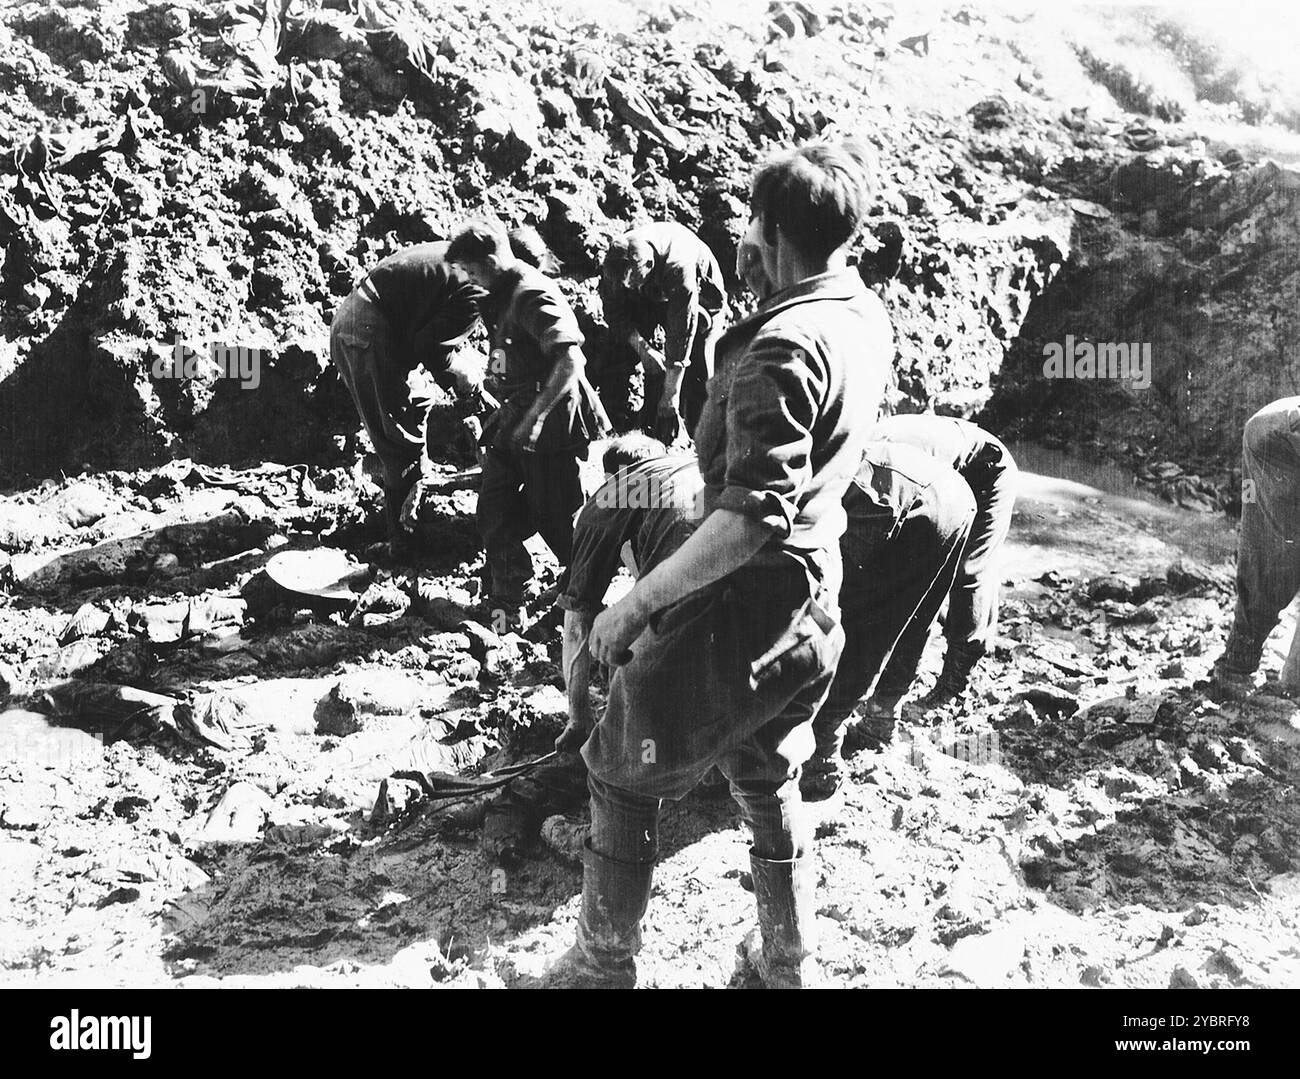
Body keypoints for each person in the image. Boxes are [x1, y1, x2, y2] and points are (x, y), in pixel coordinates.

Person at [528, 140, 891, 990]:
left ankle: (601, 964)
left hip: (743, 602)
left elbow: (750, 518)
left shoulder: (782, 347)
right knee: (766, 758)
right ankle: (788, 959)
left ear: (765, 230)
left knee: (618, 763)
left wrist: (634, 607)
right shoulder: (859, 313)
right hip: (811, 601)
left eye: (748, 223)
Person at [445, 222, 611, 628]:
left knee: (554, 514)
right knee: (494, 508)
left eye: (470, 270)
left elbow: (571, 360)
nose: (468, 279)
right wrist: (493, 375)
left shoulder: (531, 294)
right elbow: (503, 348)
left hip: (550, 420)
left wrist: (536, 420)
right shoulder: (499, 295)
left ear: (490, 260)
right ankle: (507, 602)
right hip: (514, 414)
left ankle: (582, 595)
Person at [801, 441, 976, 798]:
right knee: (913, 617)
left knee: (860, 621)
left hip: (902, 500)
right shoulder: (840, 440)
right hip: (955, 495)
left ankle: (822, 755)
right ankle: (881, 718)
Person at [328, 241, 485, 544]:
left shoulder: (460, 260)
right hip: (368, 334)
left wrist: (452, 376)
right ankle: (402, 545)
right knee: (400, 441)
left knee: (418, 404)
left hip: (362, 322)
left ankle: (414, 496)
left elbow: (427, 336)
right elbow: (431, 347)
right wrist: (461, 375)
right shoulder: (477, 285)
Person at [870, 415, 1017, 709]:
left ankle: (954, 684)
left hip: (988, 473)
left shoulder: (876, 462)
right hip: (940, 478)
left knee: (968, 572)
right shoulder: (858, 457)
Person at [597, 222, 727, 442]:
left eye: (635, 282)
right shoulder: (618, 261)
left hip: (702, 300)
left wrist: (671, 395)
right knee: (619, 351)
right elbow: (614, 312)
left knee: (699, 371)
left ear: (649, 264)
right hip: (652, 295)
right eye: (627, 285)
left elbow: (680, 335)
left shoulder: (678, 266)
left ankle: (703, 441)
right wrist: (642, 348)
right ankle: (630, 424)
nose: (629, 287)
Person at [1211, 396, 1300, 699]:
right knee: (1269, 557)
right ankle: (1236, 667)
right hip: (1274, 441)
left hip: (1280, 428)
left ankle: (1293, 681)